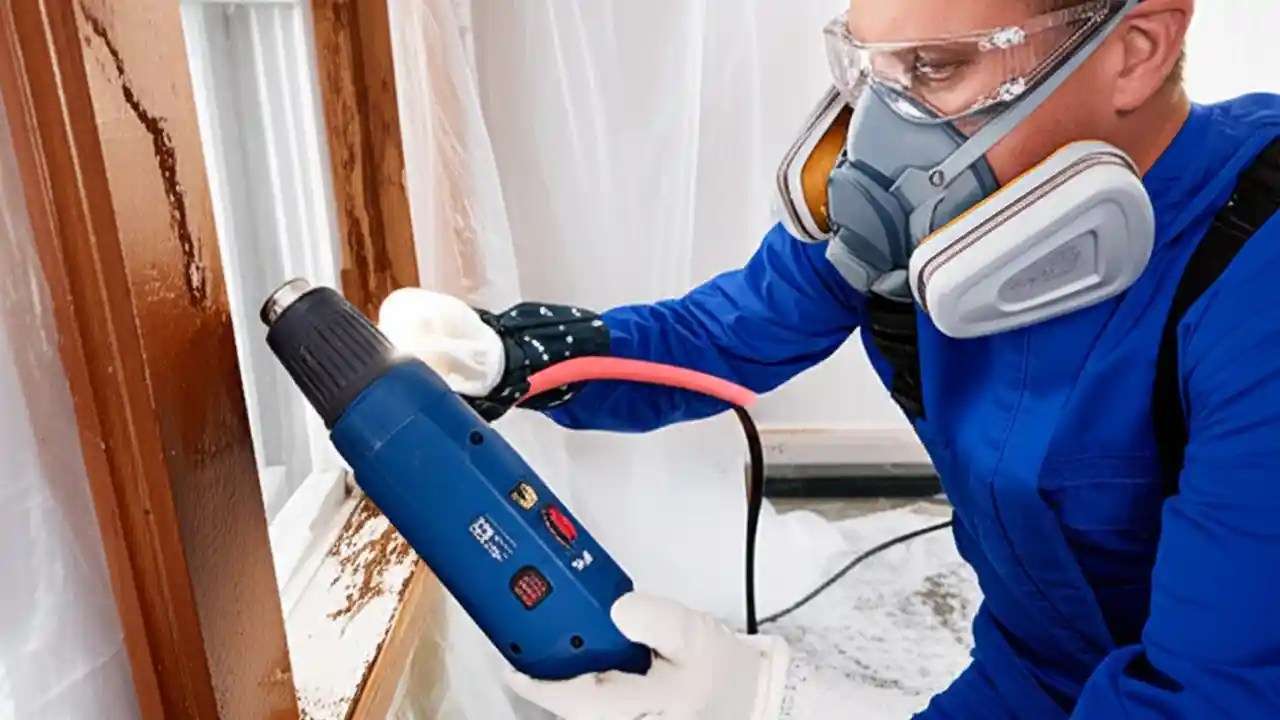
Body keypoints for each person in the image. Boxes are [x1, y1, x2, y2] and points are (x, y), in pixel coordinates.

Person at [378, 0, 1280, 717]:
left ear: (1136, 49)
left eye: (935, 69)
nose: (882, 135)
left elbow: (1215, 693)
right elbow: (720, 336)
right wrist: (521, 356)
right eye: (870, 70)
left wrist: (793, 702)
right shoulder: (918, 220)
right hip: (1027, 678)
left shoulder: (1254, 278)